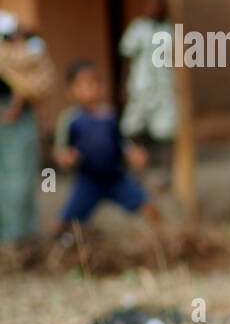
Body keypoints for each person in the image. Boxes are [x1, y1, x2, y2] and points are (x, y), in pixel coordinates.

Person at [53, 61, 161, 234]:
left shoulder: (110, 116)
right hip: (88, 181)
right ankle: (62, 248)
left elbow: (122, 144)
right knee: (63, 223)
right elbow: (60, 150)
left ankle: (163, 240)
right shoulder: (70, 120)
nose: (88, 90)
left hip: (116, 178)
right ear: (71, 91)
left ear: (100, 87)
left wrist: (133, 155)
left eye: (92, 84)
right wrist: (65, 158)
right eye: (81, 85)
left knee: (149, 206)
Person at [0, 8, 53, 242]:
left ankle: (18, 238)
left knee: (18, 179)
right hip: (10, 111)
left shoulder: (7, 23)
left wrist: (17, 102)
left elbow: (22, 74)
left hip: (13, 115)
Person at [118, 0, 176, 189]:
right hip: (141, 87)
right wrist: (123, 86)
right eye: (151, 4)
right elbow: (127, 58)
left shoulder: (170, 29)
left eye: (158, 4)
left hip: (164, 88)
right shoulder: (137, 29)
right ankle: (138, 174)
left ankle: (166, 176)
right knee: (132, 130)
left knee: (166, 131)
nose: (154, 8)